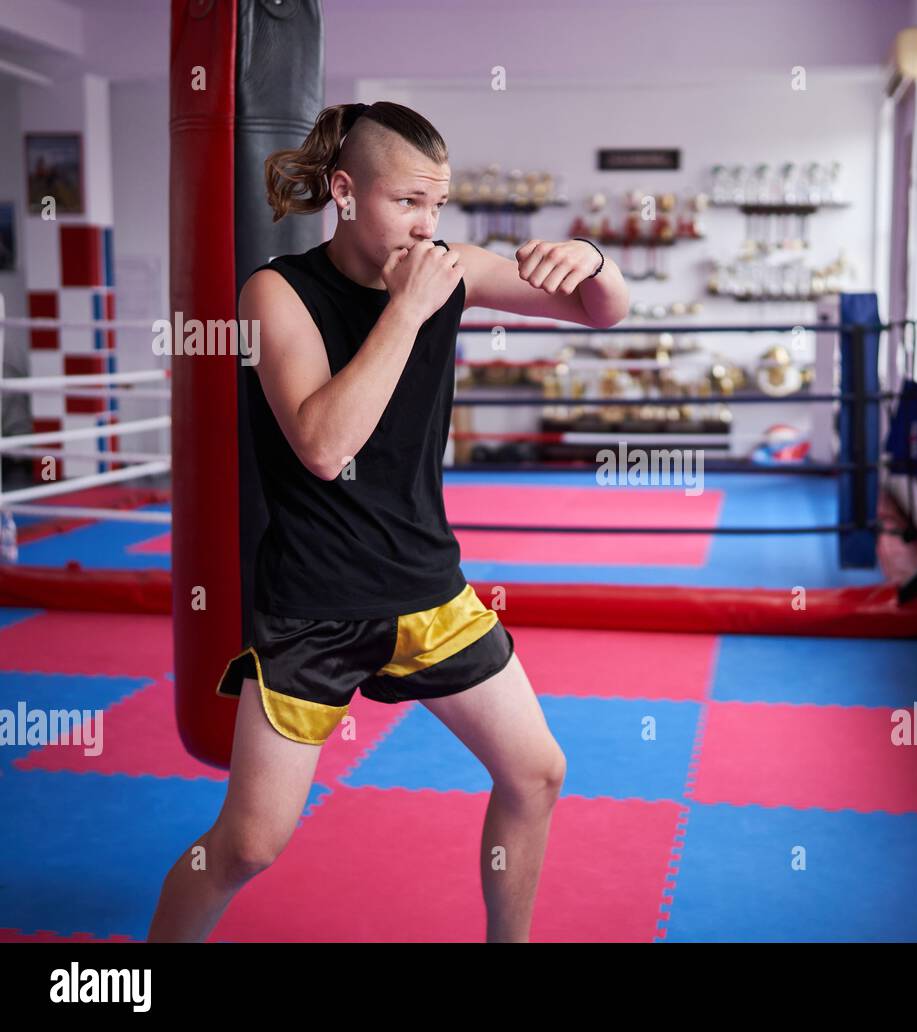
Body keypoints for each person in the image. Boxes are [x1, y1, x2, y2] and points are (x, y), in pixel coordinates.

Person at [147, 101, 629, 943]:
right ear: (345, 192)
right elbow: (325, 445)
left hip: (429, 592)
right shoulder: (275, 292)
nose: (426, 225)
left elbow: (604, 312)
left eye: (438, 205)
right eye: (408, 202)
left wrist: (591, 257)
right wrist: (406, 311)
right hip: (314, 609)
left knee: (537, 772)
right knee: (248, 848)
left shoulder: (453, 268)